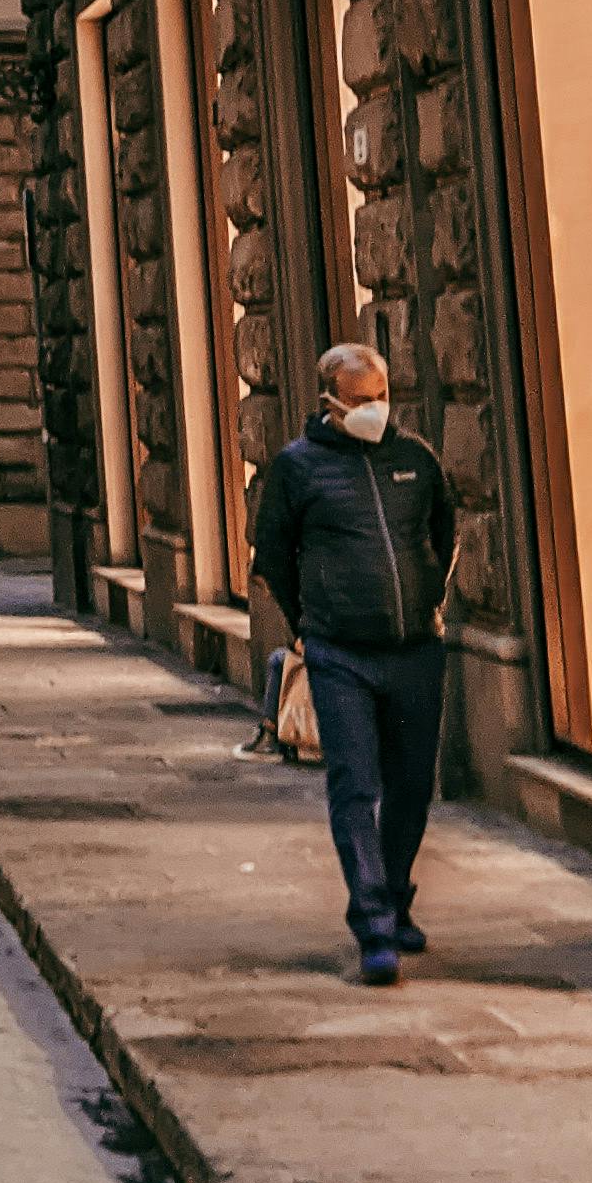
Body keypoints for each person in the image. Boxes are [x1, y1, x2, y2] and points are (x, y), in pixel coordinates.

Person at [248, 341, 458, 983]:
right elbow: (272, 555)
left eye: (382, 396)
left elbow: (444, 530)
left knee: (412, 786)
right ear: (330, 402)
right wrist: (308, 626)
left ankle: (395, 897)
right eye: (363, 399)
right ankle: (373, 927)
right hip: (340, 655)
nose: (376, 409)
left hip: (415, 651)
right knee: (355, 785)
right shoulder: (297, 468)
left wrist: (428, 599)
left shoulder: (414, 459)